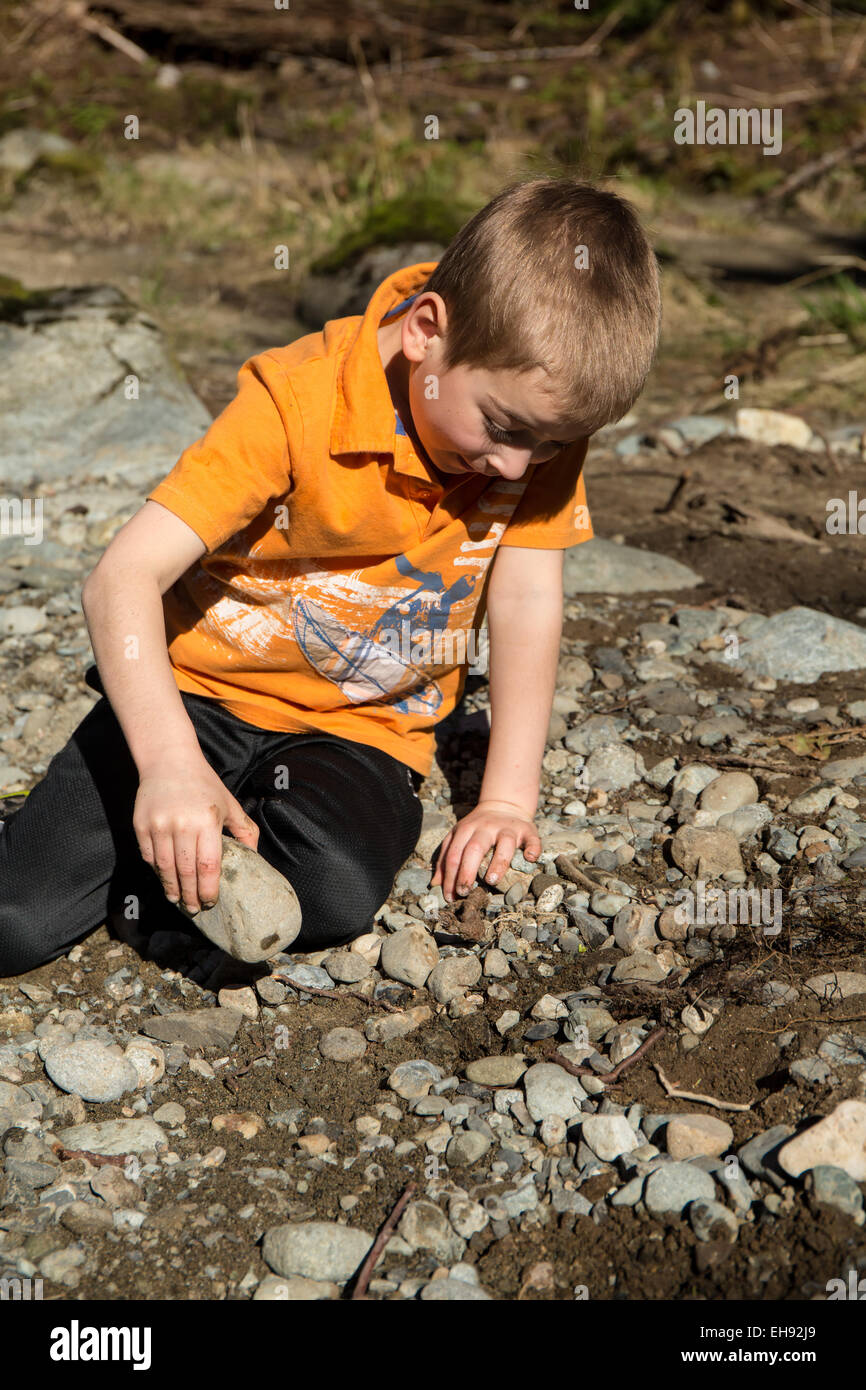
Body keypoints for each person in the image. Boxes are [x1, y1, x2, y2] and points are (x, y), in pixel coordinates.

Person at [0, 175, 661, 977]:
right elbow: (120, 579)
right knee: (15, 924)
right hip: (197, 696)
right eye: (502, 430)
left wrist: (505, 800)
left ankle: (181, 847)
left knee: (332, 892)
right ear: (426, 331)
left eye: (551, 446)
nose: (517, 465)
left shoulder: (532, 423)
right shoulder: (296, 400)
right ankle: (169, 818)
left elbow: (525, 600)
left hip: (360, 725)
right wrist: (170, 765)